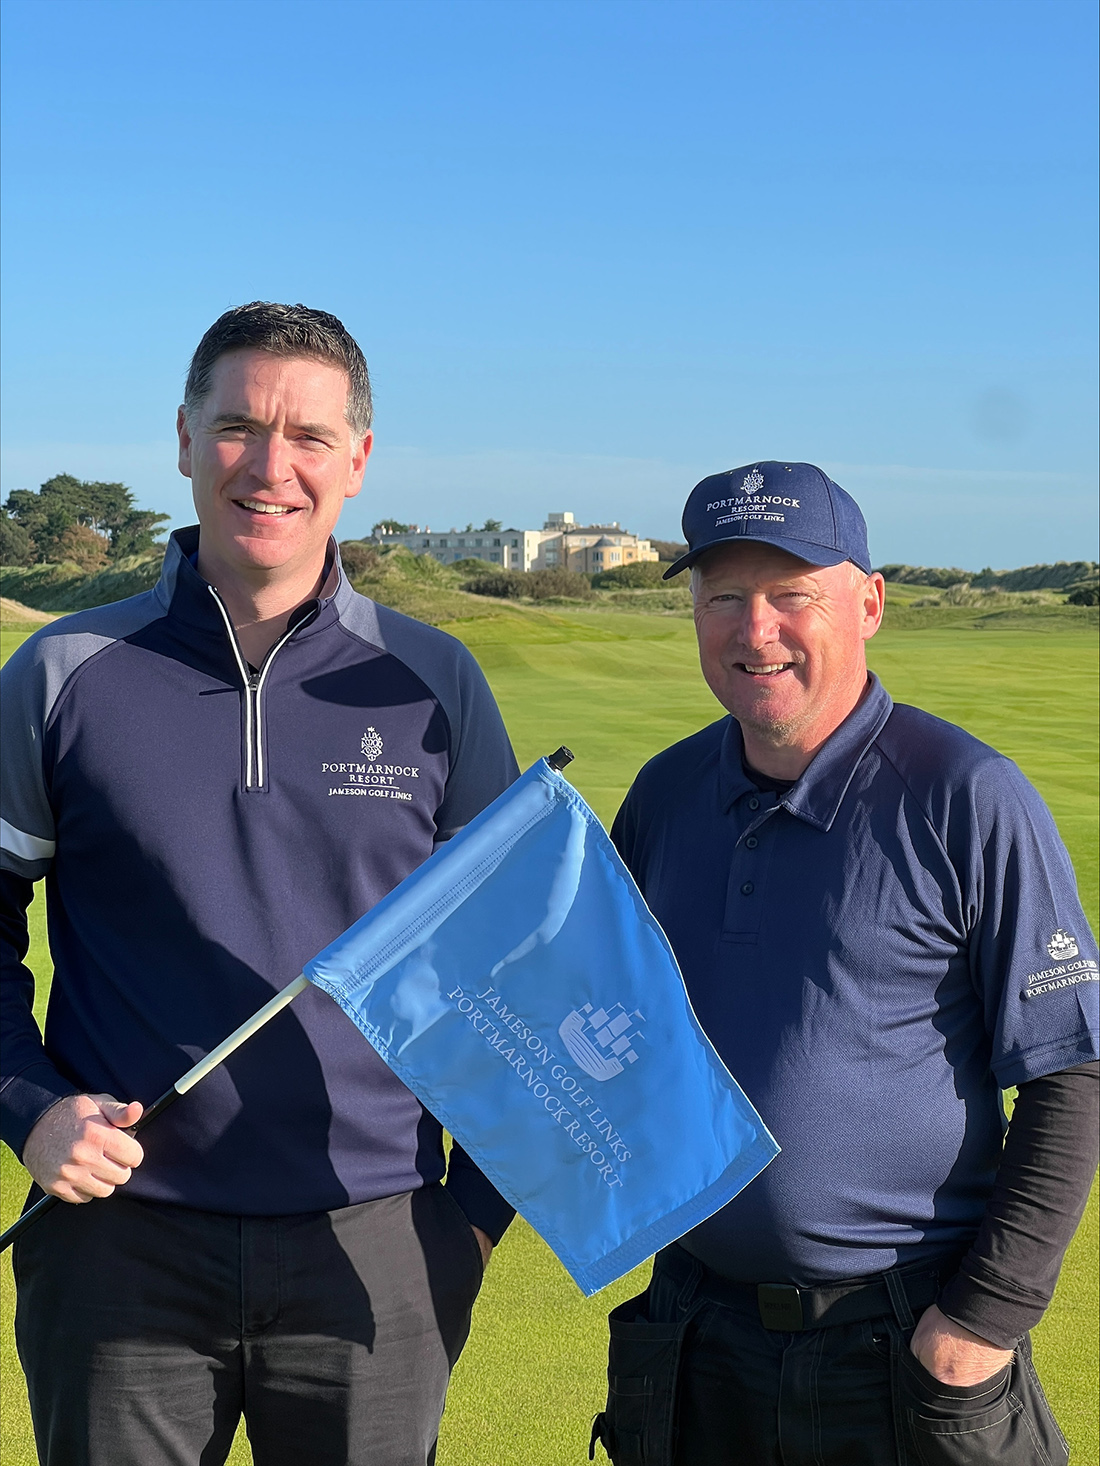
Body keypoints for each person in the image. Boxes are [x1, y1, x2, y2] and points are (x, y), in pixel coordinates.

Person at [0, 302, 519, 1466]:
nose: (270, 465)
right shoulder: (62, 670)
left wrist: (471, 1222)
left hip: (374, 1243)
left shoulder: (433, 680)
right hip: (117, 1243)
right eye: (238, 425)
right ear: (186, 437)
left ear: (357, 459)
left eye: (309, 435)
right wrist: (29, 1106)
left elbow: (508, 968)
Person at [590, 462, 1098, 1466]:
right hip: (697, 1335)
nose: (755, 629)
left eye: (792, 594)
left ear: (867, 604)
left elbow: (1069, 1070)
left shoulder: (966, 794)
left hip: (900, 1343)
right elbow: (605, 1022)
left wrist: (981, 1322)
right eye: (723, 597)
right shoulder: (665, 793)